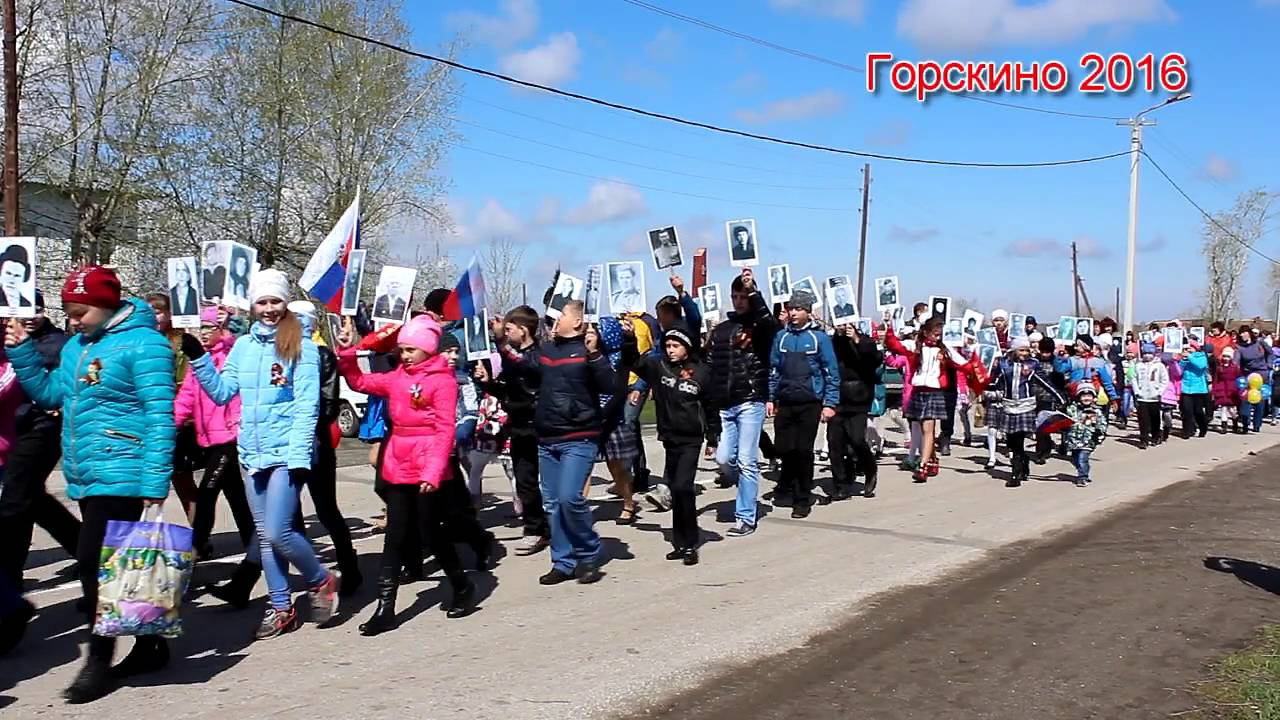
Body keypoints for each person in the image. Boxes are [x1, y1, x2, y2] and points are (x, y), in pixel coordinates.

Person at [6, 266, 176, 703]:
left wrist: (156, 479)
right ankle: (151, 644)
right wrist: (23, 350)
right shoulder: (77, 348)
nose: (74, 320)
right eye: (69, 312)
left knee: (92, 564)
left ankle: (98, 663)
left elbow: (160, 416)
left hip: (123, 469)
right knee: (114, 565)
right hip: (86, 471)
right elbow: (50, 396)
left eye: (80, 311)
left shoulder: (146, 344)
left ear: (105, 305)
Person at [182, 269, 340, 640]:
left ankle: (321, 579)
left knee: (277, 531)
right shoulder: (244, 346)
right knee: (267, 538)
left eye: (275, 301)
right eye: (262, 302)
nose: (269, 309)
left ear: (285, 303)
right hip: (252, 454)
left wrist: (300, 456)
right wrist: (199, 359)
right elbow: (222, 393)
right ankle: (282, 606)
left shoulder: (301, 345)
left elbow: (306, 407)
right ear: (252, 305)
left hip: (288, 454)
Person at [338, 315, 478, 634]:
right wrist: (347, 354)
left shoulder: (443, 381)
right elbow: (359, 382)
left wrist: (433, 470)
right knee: (396, 535)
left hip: (428, 461)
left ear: (428, 349)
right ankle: (385, 607)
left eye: (411, 349)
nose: (405, 355)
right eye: (402, 349)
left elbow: (445, 430)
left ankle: (460, 584)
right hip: (398, 461)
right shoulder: (398, 377)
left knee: (430, 531)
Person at [492, 300, 615, 585]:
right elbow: (521, 362)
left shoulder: (588, 350)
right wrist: (501, 339)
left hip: (579, 437)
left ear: (576, 321)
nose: (555, 321)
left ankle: (589, 553)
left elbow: (609, 385)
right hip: (547, 438)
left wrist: (595, 353)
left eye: (561, 317)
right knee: (552, 504)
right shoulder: (547, 351)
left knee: (569, 498)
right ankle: (563, 561)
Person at [0, 291, 79, 603]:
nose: (31, 316)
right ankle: (83, 548)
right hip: (13, 431)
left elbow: (51, 390)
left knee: (16, 502)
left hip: (41, 430)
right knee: (33, 501)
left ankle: (10, 580)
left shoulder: (56, 344)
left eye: (37, 309)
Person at [621, 327, 719, 564]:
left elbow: (710, 407)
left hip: (691, 440)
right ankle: (680, 540)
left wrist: (712, 438)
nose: (670, 350)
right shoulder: (658, 367)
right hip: (670, 438)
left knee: (684, 487)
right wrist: (629, 339)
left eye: (676, 346)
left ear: (687, 347)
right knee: (676, 489)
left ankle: (690, 543)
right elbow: (633, 362)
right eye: (667, 346)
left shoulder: (702, 372)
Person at [174, 307, 255, 556]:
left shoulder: (231, 355)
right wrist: (169, 428)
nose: (204, 333)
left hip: (229, 438)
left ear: (221, 329)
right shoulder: (199, 361)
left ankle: (196, 547)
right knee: (236, 496)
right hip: (208, 439)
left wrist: (231, 322)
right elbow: (186, 398)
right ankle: (255, 545)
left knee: (208, 492)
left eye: (210, 327)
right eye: (201, 328)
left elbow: (239, 338)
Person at [707, 269, 779, 536]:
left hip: (750, 400)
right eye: (735, 296)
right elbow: (712, 365)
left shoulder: (760, 328)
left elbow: (769, 323)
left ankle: (745, 516)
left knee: (748, 460)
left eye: (743, 296)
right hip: (725, 403)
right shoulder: (722, 330)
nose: (739, 301)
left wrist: (753, 291)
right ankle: (746, 488)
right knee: (724, 459)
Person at [482, 306, 549, 556]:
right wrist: (488, 383)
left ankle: (557, 526)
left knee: (550, 485)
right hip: (519, 427)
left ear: (523, 330)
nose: (505, 332)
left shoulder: (538, 355)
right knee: (525, 481)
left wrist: (500, 341)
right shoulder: (513, 358)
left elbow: (528, 368)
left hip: (541, 426)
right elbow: (510, 390)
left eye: (509, 329)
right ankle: (535, 529)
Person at [884, 317, 984, 483]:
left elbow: (964, 365)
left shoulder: (945, 350)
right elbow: (894, 345)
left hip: (934, 392)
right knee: (922, 430)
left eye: (939, 334)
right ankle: (931, 460)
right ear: (925, 332)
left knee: (928, 428)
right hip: (918, 391)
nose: (937, 337)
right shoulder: (915, 346)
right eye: (934, 334)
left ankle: (922, 466)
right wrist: (888, 327)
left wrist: (976, 360)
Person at [767, 290, 839, 518]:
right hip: (786, 401)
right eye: (791, 309)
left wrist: (830, 403)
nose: (794, 313)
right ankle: (786, 482)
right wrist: (770, 398)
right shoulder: (782, 337)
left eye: (799, 309)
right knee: (784, 448)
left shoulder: (820, 339)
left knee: (802, 450)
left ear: (808, 312)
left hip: (810, 402)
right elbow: (774, 369)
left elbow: (831, 372)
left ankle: (802, 498)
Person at [986, 338, 1062, 488]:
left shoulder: (1032, 364)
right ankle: (1024, 461)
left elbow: (1044, 382)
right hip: (1008, 406)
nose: (1024, 353)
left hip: (1025, 406)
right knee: (1011, 442)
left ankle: (1016, 473)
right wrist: (984, 389)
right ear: (1013, 350)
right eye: (1021, 350)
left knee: (1019, 440)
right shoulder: (1003, 364)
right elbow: (995, 382)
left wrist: (1060, 397)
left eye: (1027, 350)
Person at [828, 322, 882, 499]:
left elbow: (874, 360)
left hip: (858, 398)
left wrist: (857, 340)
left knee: (857, 440)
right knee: (835, 443)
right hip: (837, 398)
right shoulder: (833, 342)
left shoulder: (865, 341)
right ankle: (840, 483)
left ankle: (869, 469)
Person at [1064, 383, 1108, 488]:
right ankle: (1082, 470)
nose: (1086, 398)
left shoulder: (1096, 411)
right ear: (1079, 397)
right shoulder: (1073, 409)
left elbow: (1102, 423)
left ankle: (1082, 477)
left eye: (1089, 396)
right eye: (1083, 396)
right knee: (1075, 458)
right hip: (1074, 439)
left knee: (1082, 458)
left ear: (1093, 398)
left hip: (1089, 439)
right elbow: (1066, 419)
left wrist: (1099, 432)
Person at [1132, 342, 1169, 447]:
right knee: (1143, 419)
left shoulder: (1159, 366)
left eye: (1150, 353)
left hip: (1154, 398)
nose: (1147, 356)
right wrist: (1137, 391)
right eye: (1145, 353)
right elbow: (1134, 379)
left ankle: (1155, 436)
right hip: (1142, 397)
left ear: (1154, 354)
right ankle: (1143, 439)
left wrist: (1159, 392)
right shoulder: (1138, 365)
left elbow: (1165, 380)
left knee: (1155, 419)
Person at [1178, 342, 1211, 438]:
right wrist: (1183, 360)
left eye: (1191, 348)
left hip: (1198, 389)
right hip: (1186, 388)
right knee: (1187, 411)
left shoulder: (1201, 357)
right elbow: (1179, 370)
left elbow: (1200, 366)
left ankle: (1203, 427)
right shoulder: (1186, 358)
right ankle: (1187, 431)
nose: (1188, 350)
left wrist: (1190, 357)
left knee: (1198, 412)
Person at [1211, 346, 1242, 434]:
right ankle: (1223, 426)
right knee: (1223, 408)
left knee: (1232, 409)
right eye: (1224, 356)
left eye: (1228, 356)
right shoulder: (1219, 367)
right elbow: (1216, 379)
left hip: (1232, 390)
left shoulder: (1235, 367)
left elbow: (1239, 378)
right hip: (1222, 389)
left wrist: (1239, 389)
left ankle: (1235, 421)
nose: (1226, 358)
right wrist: (1214, 390)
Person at [0, 243, 33, 309]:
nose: (11, 280)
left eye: (17, 276)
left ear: (24, 278)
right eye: (8, 273)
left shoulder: (26, 305)